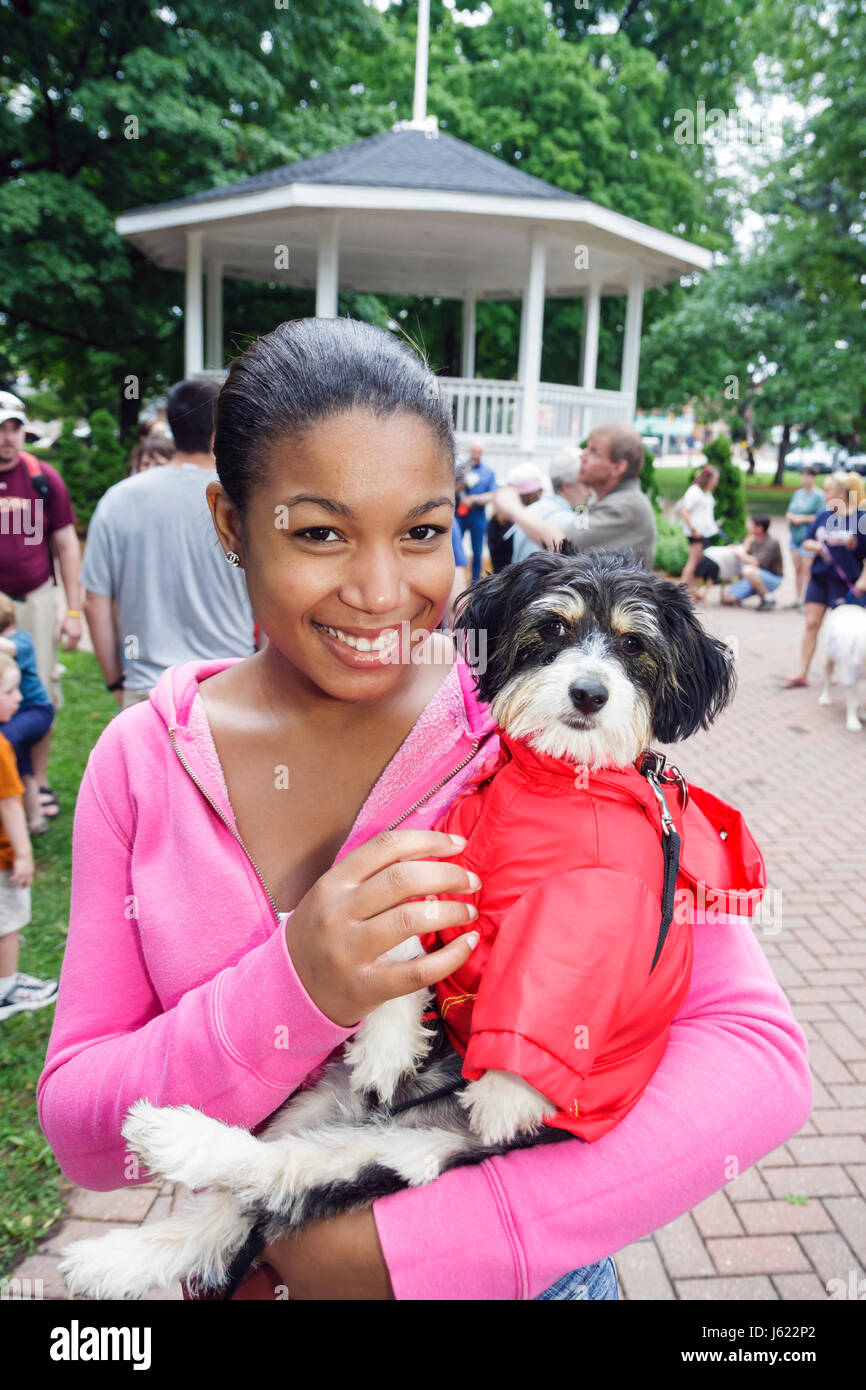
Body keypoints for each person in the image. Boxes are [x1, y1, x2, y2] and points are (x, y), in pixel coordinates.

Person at [38, 318, 810, 1302]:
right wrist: (299, 983)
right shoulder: (141, 762)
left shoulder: (537, 732)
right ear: (231, 523)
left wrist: (403, 1250)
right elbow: (84, 1136)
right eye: (318, 531)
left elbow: (758, 1059)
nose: (377, 592)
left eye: (421, 531)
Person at [81, 378, 256, 712]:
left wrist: (116, 682)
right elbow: (271, 593)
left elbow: (94, 602)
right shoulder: (243, 501)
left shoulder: (119, 499)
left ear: (171, 425)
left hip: (148, 692)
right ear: (220, 429)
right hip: (233, 685)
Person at [0, 391, 83, 819]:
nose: (6, 437)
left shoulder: (42, 478)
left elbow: (67, 545)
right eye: (0, 428)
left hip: (33, 598)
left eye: (13, 427)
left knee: (37, 692)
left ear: (23, 431)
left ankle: (40, 781)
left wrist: (72, 611)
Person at [493, 424, 657, 569]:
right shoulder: (605, 499)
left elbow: (561, 543)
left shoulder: (627, 505)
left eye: (594, 452)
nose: (582, 456)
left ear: (618, 467)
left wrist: (514, 509)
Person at [0, 652, 58, 1021]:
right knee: (8, 923)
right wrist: (23, 854)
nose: (20, 698)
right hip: (2, 858)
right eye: (9, 691)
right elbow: (9, 805)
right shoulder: (1, 748)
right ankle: (6, 990)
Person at [784, 471, 866, 688]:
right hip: (820, 578)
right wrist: (814, 546)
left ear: (842, 493)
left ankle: (839, 670)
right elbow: (808, 540)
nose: (826, 494)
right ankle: (802, 672)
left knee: (843, 630)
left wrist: (862, 581)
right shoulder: (823, 516)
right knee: (811, 624)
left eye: (829, 490)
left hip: (846, 584)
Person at [0, 595, 56, 833]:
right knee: (23, 768)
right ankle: (34, 820)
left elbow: (9, 647)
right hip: (12, 717)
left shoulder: (21, 640)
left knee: (4, 746)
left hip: (36, 712)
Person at [455, 438, 497, 583]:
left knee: (477, 551)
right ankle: (453, 580)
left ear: (482, 453)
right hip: (459, 515)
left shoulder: (488, 472)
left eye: (478, 452)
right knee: (454, 546)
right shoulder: (460, 468)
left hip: (478, 516)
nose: (475, 454)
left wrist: (473, 499)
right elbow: (450, 488)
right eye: (473, 451)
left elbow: (492, 494)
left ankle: (475, 583)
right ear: (469, 451)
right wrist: (461, 485)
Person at [720, 515, 784, 610]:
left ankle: (768, 599)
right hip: (752, 577)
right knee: (727, 599)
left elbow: (756, 562)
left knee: (748, 570)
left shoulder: (772, 542)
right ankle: (750, 593)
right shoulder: (752, 540)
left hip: (771, 577)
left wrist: (738, 553)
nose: (747, 526)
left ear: (760, 528)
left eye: (751, 524)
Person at [677, 464, 721, 596]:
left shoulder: (706, 492)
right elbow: (684, 511)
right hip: (696, 532)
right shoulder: (694, 491)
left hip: (704, 532)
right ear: (708, 478)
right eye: (715, 479)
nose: (716, 482)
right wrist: (693, 529)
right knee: (693, 562)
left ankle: (690, 591)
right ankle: (681, 592)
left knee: (697, 562)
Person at [785, 466, 824, 609]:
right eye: (803, 476)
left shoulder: (818, 496)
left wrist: (801, 518)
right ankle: (797, 598)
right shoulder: (798, 493)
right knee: (797, 569)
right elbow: (790, 510)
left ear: (813, 477)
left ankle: (807, 600)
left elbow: (820, 516)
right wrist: (790, 516)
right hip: (795, 537)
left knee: (806, 570)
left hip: (808, 538)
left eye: (808, 476)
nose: (805, 479)